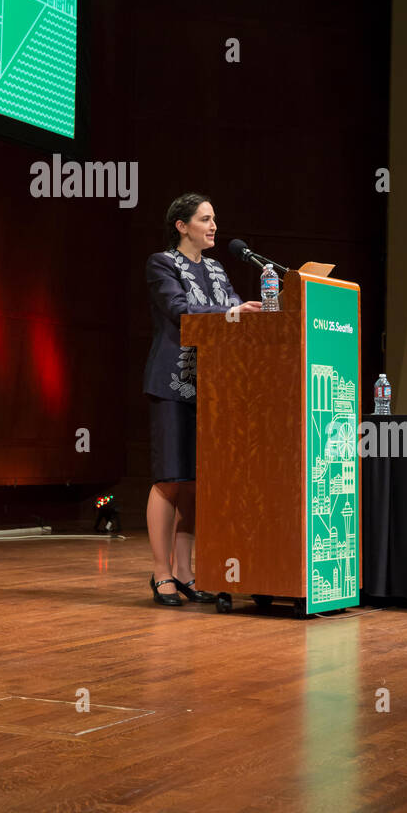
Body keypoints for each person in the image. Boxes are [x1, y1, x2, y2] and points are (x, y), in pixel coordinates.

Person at [143, 193, 261, 606]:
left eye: (214, 219)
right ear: (182, 225)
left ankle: (186, 571)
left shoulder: (215, 267)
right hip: (173, 383)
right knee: (169, 479)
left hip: (213, 387)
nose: (213, 227)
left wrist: (249, 315)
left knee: (196, 482)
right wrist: (231, 313)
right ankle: (161, 573)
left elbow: (230, 308)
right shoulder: (162, 263)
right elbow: (178, 309)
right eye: (205, 219)